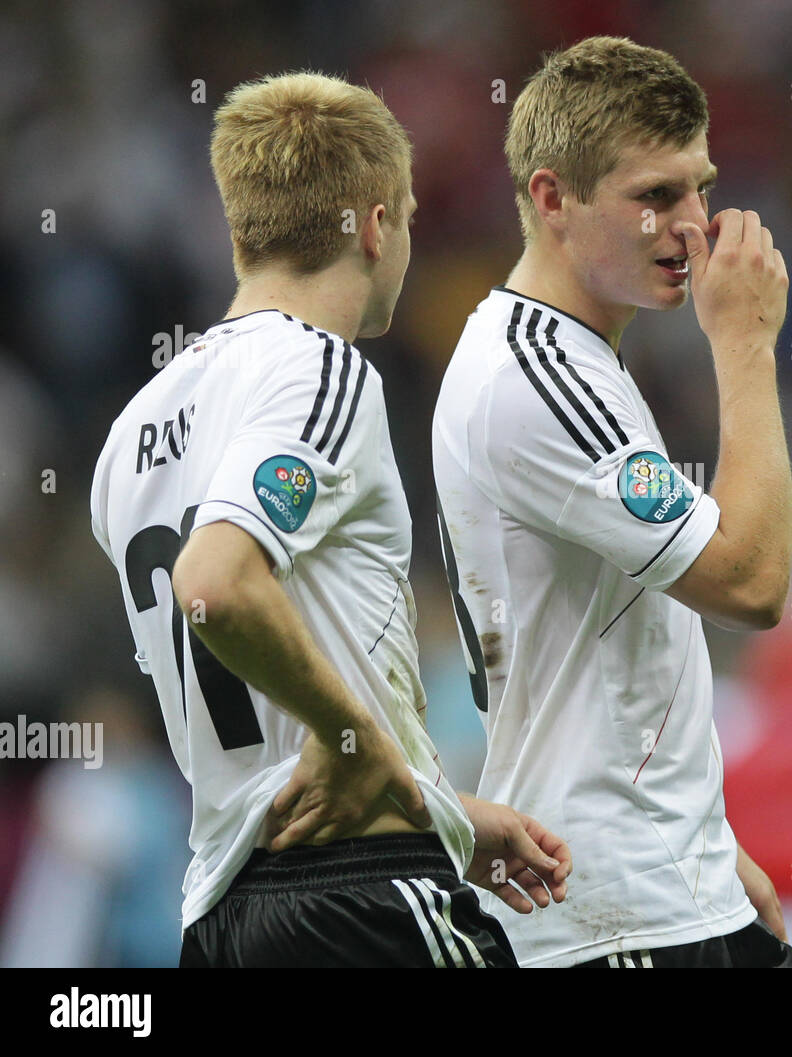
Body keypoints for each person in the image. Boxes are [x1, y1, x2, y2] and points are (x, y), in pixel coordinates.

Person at [89, 71, 570, 968]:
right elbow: (215, 584)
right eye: (410, 218)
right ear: (376, 226)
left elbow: (263, 725)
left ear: (242, 231)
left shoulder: (128, 438)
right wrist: (360, 745)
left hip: (224, 919)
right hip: (362, 896)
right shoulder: (322, 370)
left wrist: (444, 812)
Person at [432, 37, 792, 967]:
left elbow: (613, 647)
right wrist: (746, 346)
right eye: (655, 196)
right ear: (553, 198)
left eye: (700, 188)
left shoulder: (570, 357)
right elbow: (752, 583)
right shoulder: (537, 378)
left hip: (656, 886)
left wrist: (707, 841)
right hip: (621, 914)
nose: (695, 227)